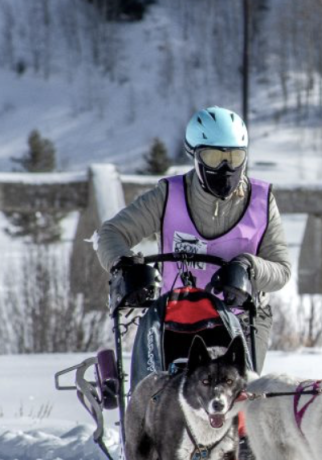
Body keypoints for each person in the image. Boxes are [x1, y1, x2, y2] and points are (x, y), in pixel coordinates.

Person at [95, 106, 290, 372]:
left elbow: (281, 269)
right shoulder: (169, 195)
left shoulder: (262, 200)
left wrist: (249, 267)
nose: (225, 167)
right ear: (195, 157)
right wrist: (125, 265)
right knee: (156, 392)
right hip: (176, 313)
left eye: (234, 157)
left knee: (241, 393)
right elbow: (111, 233)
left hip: (241, 316)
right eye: (213, 157)